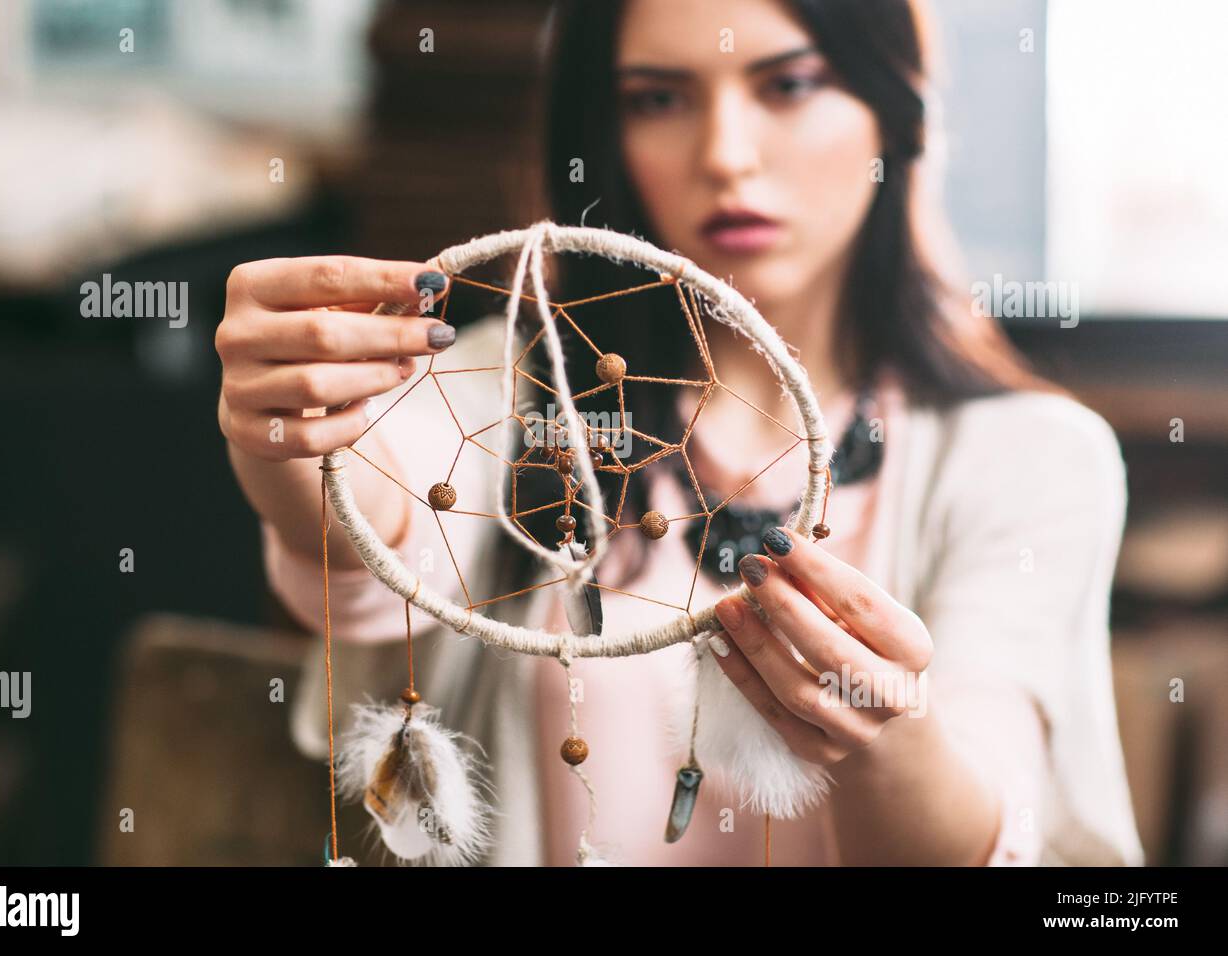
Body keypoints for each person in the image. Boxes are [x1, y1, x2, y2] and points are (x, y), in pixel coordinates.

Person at [215, 0, 1143, 866]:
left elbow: (988, 830)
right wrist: (295, 431)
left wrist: (882, 733)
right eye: (658, 98)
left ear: (896, 113)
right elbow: (371, 511)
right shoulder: (496, 385)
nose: (727, 155)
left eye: (790, 84)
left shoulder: (1031, 456)